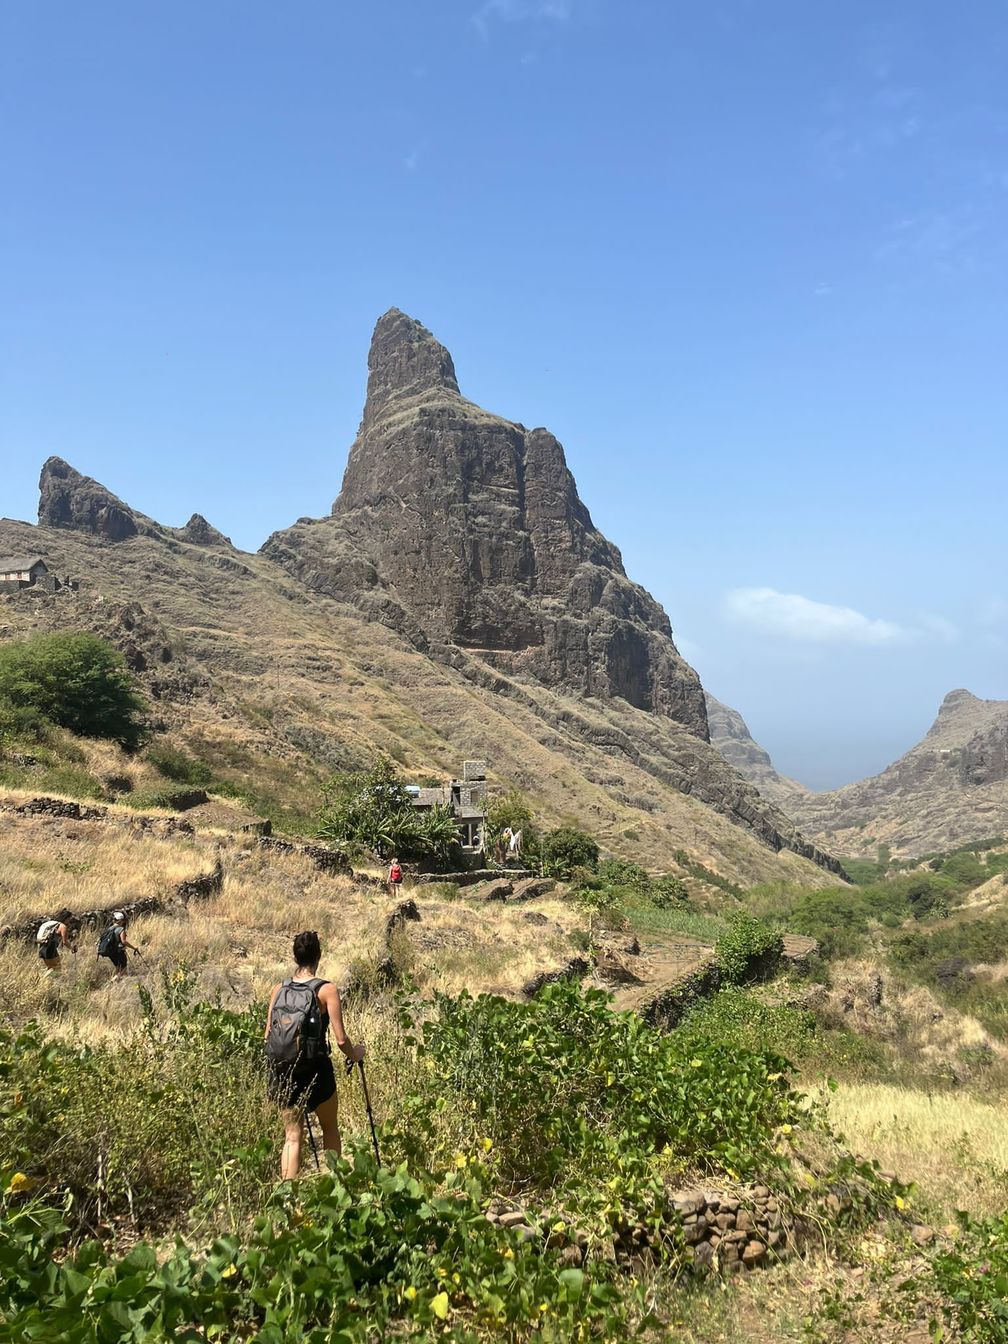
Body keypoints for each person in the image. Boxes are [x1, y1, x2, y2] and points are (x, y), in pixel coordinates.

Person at [264, 930, 365, 1179]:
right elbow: (341, 1040)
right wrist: (356, 1054)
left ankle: (288, 1199)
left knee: (292, 1137)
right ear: (318, 955)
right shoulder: (326, 990)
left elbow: (268, 1035)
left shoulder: (278, 989)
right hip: (316, 1072)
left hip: (283, 1072)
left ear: (295, 957)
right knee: (330, 1128)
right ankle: (334, 1185)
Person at [37, 909, 79, 976]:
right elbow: (65, 942)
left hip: (43, 946)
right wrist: (72, 948)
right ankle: (41, 980)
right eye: (69, 919)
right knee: (55, 969)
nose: (70, 921)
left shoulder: (54, 923)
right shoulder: (63, 927)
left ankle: (45, 982)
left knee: (53, 967)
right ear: (66, 918)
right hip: (50, 948)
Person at [98, 911, 139, 979]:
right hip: (118, 951)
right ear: (121, 921)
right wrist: (134, 947)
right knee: (123, 968)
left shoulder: (109, 928)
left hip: (110, 951)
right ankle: (114, 980)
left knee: (117, 966)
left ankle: (116, 983)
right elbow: (124, 941)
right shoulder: (121, 929)